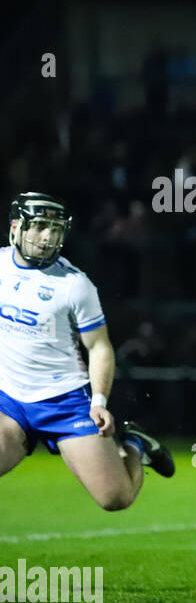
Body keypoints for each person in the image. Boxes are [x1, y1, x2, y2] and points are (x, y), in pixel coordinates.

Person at [0, 193, 174, 512]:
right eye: (39, 226)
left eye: (55, 229)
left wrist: (99, 401)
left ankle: (135, 444)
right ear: (15, 228)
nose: (48, 236)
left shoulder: (74, 284)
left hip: (65, 403)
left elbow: (100, 347)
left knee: (115, 498)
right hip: (9, 401)